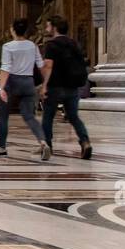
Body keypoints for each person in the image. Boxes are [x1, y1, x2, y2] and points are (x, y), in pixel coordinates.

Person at [0, 18, 50, 160]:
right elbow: (41, 66)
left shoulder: (8, 46)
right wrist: (45, 85)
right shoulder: (32, 46)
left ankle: (1, 147)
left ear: (13, 30)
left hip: (12, 81)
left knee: (3, 117)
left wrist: (1, 88)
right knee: (29, 116)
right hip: (28, 82)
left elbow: (5, 68)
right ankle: (43, 141)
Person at [40, 16, 93, 159]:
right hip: (72, 87)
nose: (47, 28)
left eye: (48, 25)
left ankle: (47, 146)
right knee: (74, 117)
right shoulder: (74, 43)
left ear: (54, 27)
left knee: (48, 117)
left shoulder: (51, 45)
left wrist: (44, 85)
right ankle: (85, 141)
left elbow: (48, 65)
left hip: (55, 86)